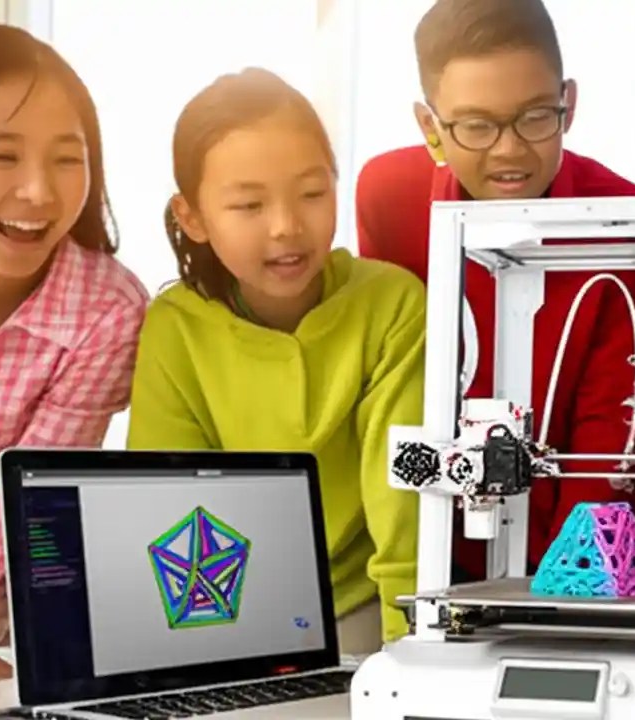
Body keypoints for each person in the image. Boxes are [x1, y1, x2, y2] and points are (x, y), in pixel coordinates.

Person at [126, 68, 424, 653]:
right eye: (248, 205)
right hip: (226, 616)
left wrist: (410, 660)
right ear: (193, 218)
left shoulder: (392, 304)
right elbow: (168, 513)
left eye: (312, 194)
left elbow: (403, 505)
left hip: (362, 603)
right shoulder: (175, 327)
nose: (287, 227)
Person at [354, 0, 635, 581]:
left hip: (564, 552)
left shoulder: (619, 212)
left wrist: (570, 580)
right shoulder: (389, 197)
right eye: (476, 126)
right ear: (429, 126)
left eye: (536, 116)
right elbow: (386, 385)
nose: (510, 149)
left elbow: (609, 416)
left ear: (570, 102)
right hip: (420, 546)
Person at [0, 23, 147, 655]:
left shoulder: (106, 310)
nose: (37, 191)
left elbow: (28, 506)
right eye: (0, 156)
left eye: (66, 158)